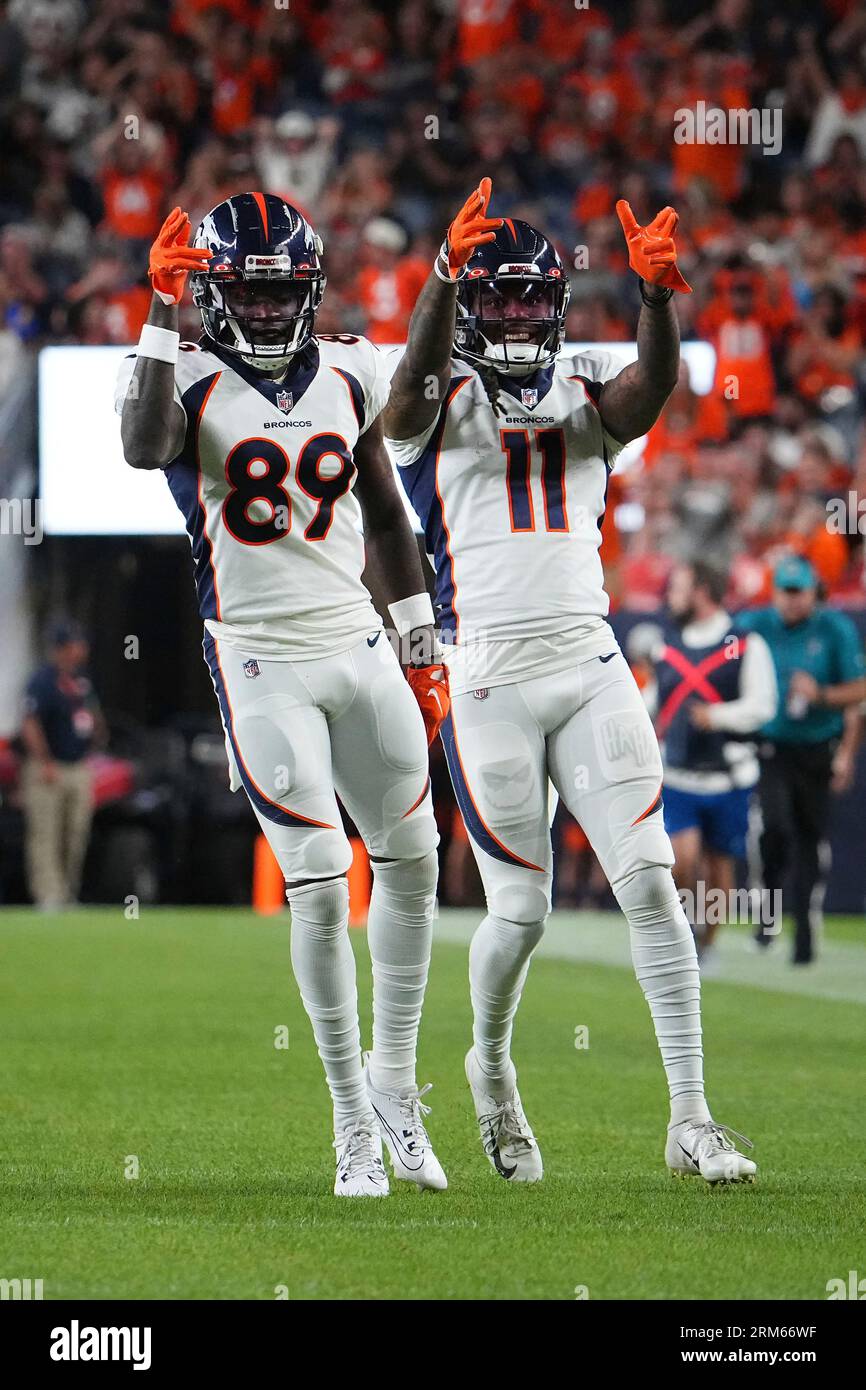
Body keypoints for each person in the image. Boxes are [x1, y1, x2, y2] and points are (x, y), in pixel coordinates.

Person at [383, 178, 757, 1186]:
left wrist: (655, 297)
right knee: (521, 913)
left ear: (552, 309)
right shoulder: (437, 397)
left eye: (524, 300)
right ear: (469, 306)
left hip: (588, 665)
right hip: (490, 675)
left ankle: (690, 1117)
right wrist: (438, 283)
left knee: (651, 887)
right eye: (491, 299)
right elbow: (408, 393)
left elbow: (650, 391)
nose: (509, 318)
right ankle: (490, 1066)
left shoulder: (582, 395)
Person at [116, 195, 450, 1198]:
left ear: (309, 287)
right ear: (214, 291)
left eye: (280, 288)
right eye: (245, 289)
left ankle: (393, 1080)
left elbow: (385, 510)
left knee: (415, 859)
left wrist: (419, 634)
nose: (264, 309)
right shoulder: (181, 373)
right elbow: (141, 445)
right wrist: (157, 314)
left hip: (354, 639)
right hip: (258, 656)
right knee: (314, 874)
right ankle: (348, 1115)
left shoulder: (349, 365)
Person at [644, 561, 777, 973]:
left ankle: (708, 942)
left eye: (679, 588)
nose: (670, 596)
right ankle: (683, 931)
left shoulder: (746, 644)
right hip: (680, 775)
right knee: (681, 860)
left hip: (729, 775)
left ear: (702, 591)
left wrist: (716, 717)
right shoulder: (665, 646)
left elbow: (763, 705)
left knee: (721, 866)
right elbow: (650, 703)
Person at [737, 555, 866, 964]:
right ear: (774, 592)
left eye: (799, 592)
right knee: (775, 829)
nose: (792, 601)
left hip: (816, 746)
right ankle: (769, 914)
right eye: (785, 591)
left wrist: (823, 696)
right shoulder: (755, 625)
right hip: (773, 746)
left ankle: (805, 930)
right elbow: (720, 656)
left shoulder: (834, 628)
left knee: (810, 837)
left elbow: (860, 689)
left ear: (813, 593)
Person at [20, 621, 103, 910]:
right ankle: (48, 896)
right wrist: (44, 761)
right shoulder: (42, 681)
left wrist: (94, 746)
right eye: (73, 645)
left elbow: (91, 715)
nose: (80, 651)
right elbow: (30, 722)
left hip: (78, 766)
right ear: (60, 649)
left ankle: (68, 894)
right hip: (49, 767)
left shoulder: (81, 681)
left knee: (75, 834)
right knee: (46, 834)